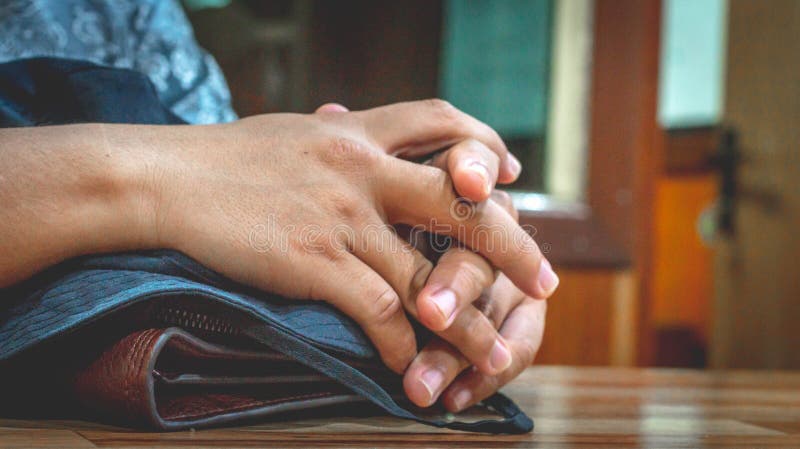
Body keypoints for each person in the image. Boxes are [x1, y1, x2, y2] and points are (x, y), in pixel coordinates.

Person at [0, 0, 555, 413]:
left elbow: (233, 205)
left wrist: (434, 230)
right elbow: (209, 172)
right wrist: (163, 176)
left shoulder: (126, 10)